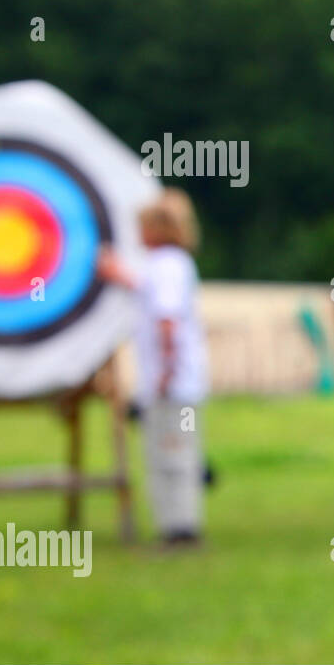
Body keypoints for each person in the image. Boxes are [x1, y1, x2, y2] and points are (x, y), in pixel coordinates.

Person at [98, 189, 210, 545]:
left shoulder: (166, 265)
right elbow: (145, 289)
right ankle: (174, 527)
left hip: (171, 385)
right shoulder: (170, 264)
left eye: (143, 226)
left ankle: (181, 531)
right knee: (171, 452)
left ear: (157, 229)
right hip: (175, 383)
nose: (138, 234)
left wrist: (164, 375)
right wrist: (117, 274)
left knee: (171, 456)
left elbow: (167, 322)